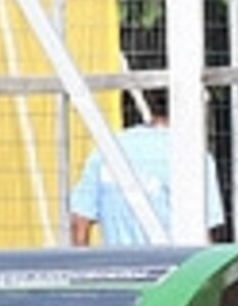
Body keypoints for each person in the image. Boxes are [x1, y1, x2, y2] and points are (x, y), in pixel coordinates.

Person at [70, 88, 226, 245]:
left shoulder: (107, 148)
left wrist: (83, 259)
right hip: (174, 258)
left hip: (116, 258)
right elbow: (204, 230)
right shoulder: (195, 156)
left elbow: (80, 222)